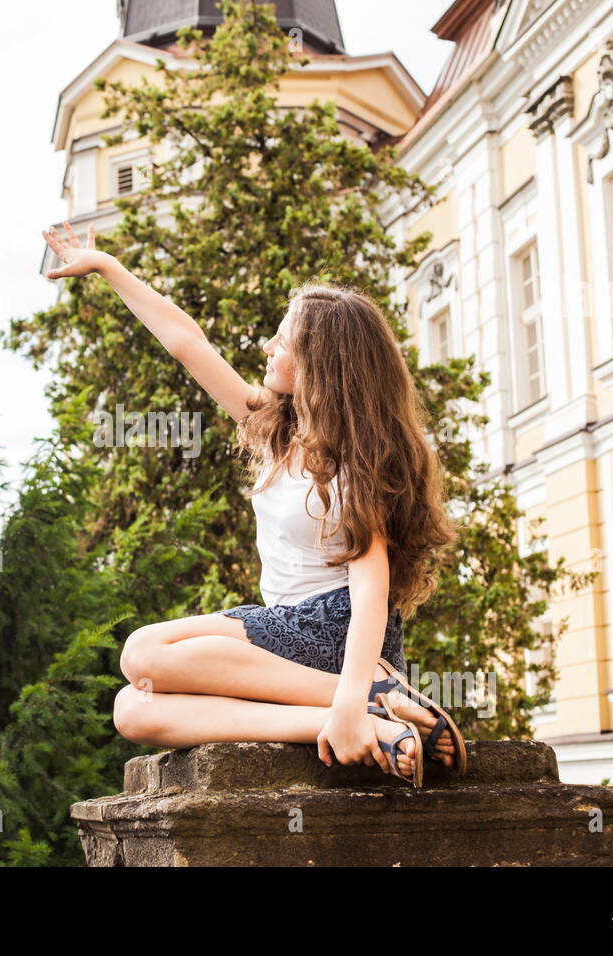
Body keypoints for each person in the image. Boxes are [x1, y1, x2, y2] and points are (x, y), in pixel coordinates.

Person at [41, 220, 461, 786]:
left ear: (319, 361)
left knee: (142, 651)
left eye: (282, 340)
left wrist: (355, 685)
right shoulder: (280, 431)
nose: (267, 346)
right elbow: (189, 345)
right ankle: (369, 719)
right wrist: (110, 269)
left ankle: (373, 694)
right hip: (291, 632)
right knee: (132, 709)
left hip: (337, 630)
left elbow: (371, 588)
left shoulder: (354, 462)